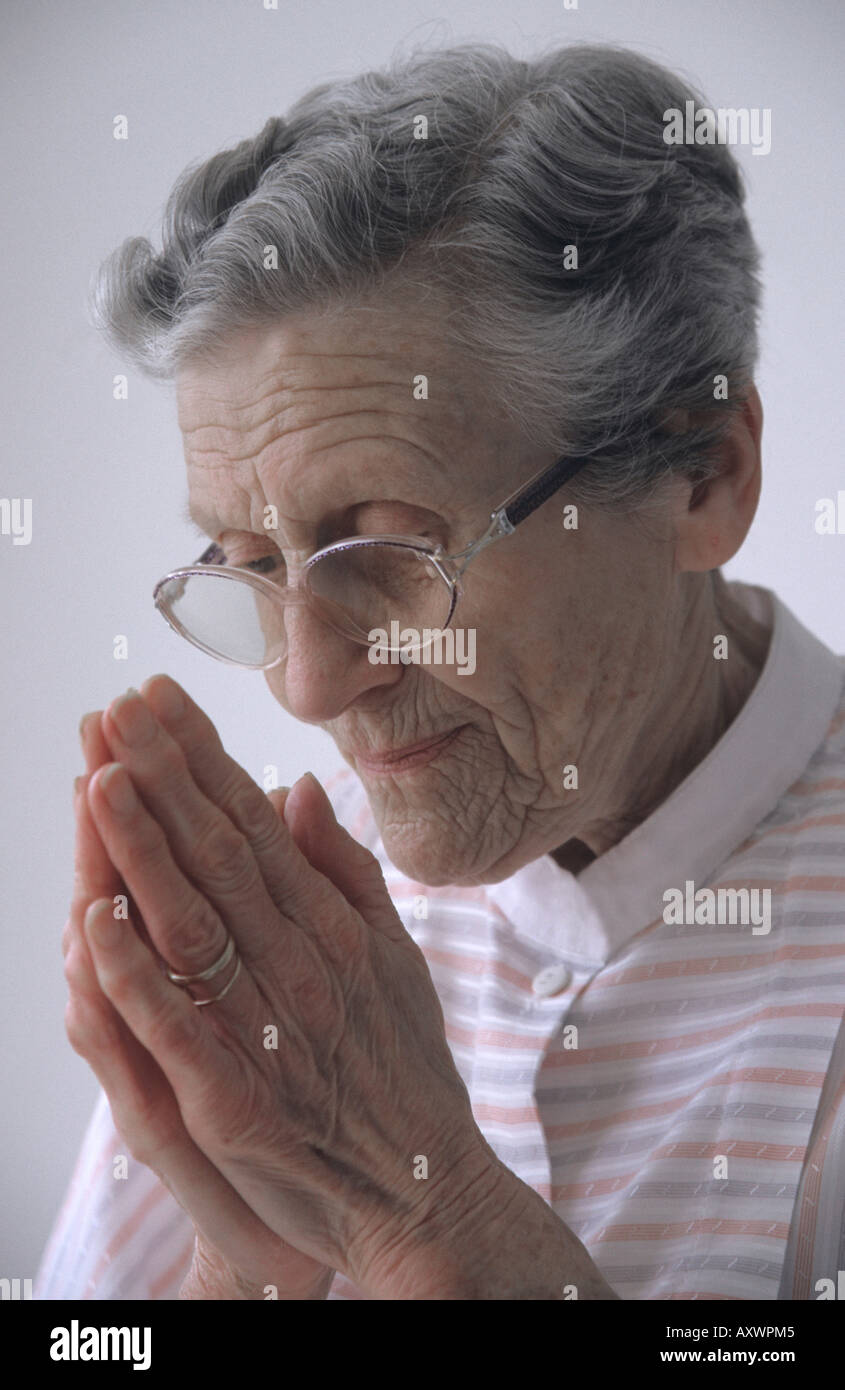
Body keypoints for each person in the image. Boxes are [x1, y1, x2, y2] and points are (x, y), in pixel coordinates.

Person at [36, 41, 845, 1301]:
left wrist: (422, 1209)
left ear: (703, 474)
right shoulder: (275, 944)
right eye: (248, 563)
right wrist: (242, 1275)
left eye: (392, 545)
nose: (304, 688)